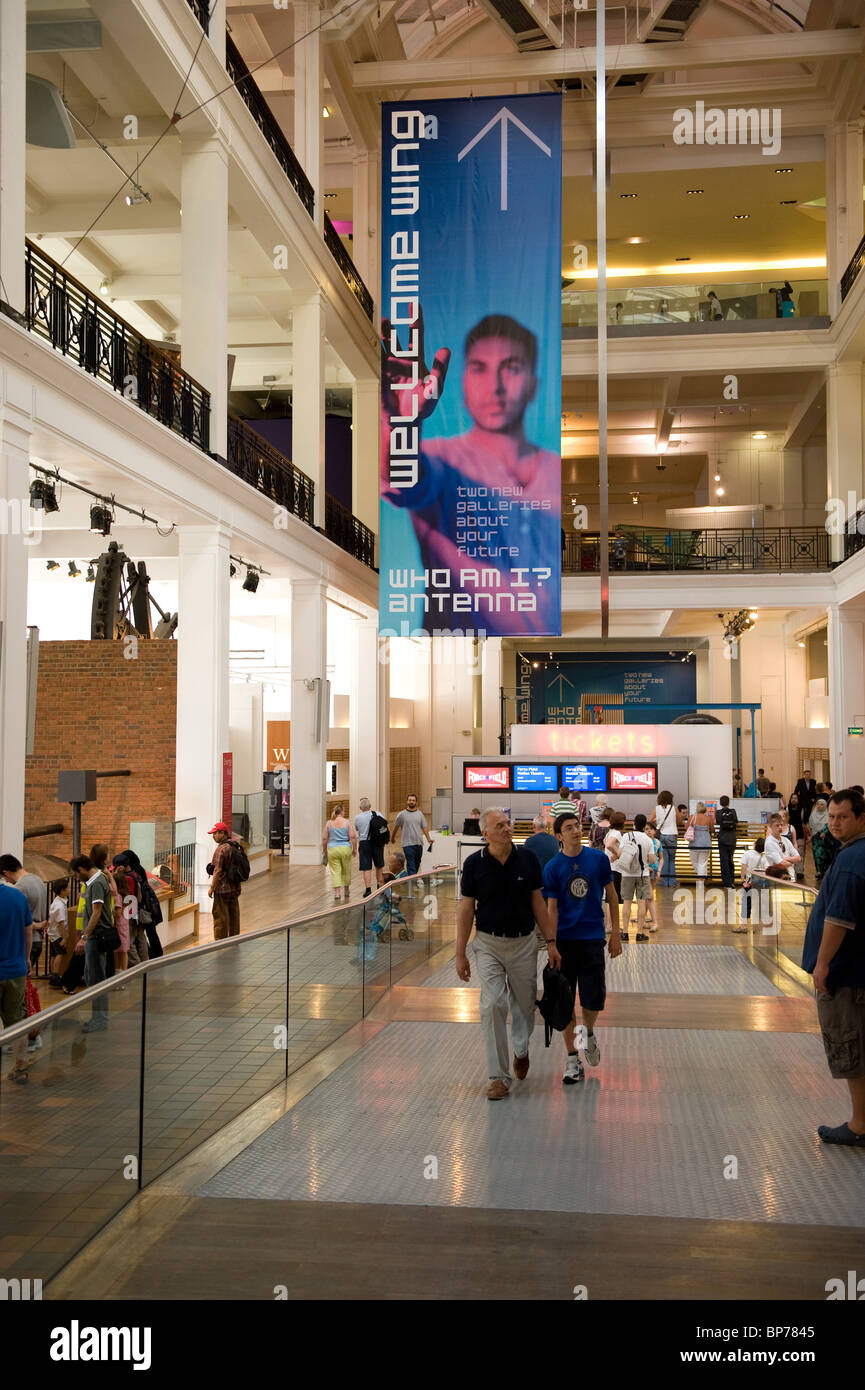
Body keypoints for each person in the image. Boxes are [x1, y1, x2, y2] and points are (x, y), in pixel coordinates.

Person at [381, 312, 560, 636]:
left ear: (534, 386)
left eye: (512, 368)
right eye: (479, 368)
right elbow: (404, 481)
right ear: (462, 383)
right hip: (448, 660)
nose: (496, 386)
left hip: (536, 652)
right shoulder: (441, 459)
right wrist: (401, 425)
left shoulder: (556, 470)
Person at [457, 807, 559, 1100]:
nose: (507, 828)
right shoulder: (474, 864)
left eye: (508, 823)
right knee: (491, 1006)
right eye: (499, 825)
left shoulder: (527, 859)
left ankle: (521, 1049)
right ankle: (497, 1076)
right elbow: (466, 908)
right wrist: (460, 951)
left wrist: (551, 942)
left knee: (524, 1008)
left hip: (524, 943)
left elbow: (538, 903)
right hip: (488, 944)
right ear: (485, 833)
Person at [801, 789, 865, 1145]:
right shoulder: (852, 853)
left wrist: (822, 964)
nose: (836, 823)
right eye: (833, 817)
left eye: (844, 817)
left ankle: (859, 1126)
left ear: (861, 818)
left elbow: (839, 919)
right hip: (855, 971)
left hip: (846, 975)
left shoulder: (852, 860)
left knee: (850, 1046)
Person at [542, 810, 622, 1085]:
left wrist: (616, 933)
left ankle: (587, 1032)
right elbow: (551, 908)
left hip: (591, 939)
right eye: (569, 828)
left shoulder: (598, 859)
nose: (576, 830)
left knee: (592, 999)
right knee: (564, 1001)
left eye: (578, 826)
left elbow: (611, 896)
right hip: (564, 941)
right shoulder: (553, 867)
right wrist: (551, 943)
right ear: (559, 836)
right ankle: (572, 1058)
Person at [75, 848, 115, 1032]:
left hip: (97, 937)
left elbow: (97, 912)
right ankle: (98, 1018)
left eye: (77, 874)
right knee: (91, 976)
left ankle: (100, 1019)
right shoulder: (96, 880)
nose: (76, 878)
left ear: (82, 868)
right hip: (95, 936)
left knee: (97, 978)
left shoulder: (97, 883)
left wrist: (84, 937)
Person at [0, 868, 33, 1084]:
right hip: (15, 969)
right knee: (17, 1021)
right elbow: (28, 931)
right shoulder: (17, 897)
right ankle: (19, 1067)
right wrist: (27, 958)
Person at [0, 856, 48, 974]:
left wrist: (36, 925)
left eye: (3, 878)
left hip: (26, 942)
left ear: (6, 872)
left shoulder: (19, 888)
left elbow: (21, 920)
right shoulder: (38, 880)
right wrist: (41, 925)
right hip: (38, 940)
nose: (6, 881)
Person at [616, 813, 656, 941]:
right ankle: (639, 933)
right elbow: (652, 860)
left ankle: (625, 933)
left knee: (627, 903)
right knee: (641, 903)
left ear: (634, 824)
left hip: (627, 874)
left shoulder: (627, 836)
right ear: (645, 826)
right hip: (642, 874)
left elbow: (620, 853)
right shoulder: (648, 840)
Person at [208, 821, 244, 934]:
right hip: (234, 887)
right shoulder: (234, 845)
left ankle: (220, 943)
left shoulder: (221, 849)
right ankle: (234, 939)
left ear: (223, 833)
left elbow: (217, 870)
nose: (213, 836)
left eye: (215, 833)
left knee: (220, 917)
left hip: (222, 889)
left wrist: (212, 888)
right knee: (234, 915)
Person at [321, 805, 357, 905]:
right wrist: (355, 849)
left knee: (335, 871)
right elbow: (353, 836)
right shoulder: (347, 822)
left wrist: (324, 850)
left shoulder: (329, 823)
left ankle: (337, 893)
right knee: (346, 869)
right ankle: (346, 891)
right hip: (345, 848)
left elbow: (324, 839)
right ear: (342, 812)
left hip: (333, 849)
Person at [392, 793, 432, 879]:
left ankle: (410, 880)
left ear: (416, 802)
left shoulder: (420, 814)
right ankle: (411, 885)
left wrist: (428, 839)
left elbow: (424, 827)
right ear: (407, 801)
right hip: (407, 844)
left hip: (418, 844)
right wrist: (392, 838)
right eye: (410, 800)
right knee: (411, 865)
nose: (411, 802)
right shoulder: (401, 814)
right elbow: (396, 827)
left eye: (413, 800)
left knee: (416, 864)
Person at [354, 797, 386, 898]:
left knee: (366, 867)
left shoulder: (358, 818)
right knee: (379, 865)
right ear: (370, 806)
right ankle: (379, 886)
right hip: (377, 843)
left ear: (360, 807)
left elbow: (357, 828)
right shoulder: (378, 814)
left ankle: (368, 889)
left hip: (364, 843)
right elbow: (385, 825)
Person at [734, 836, 767, 932]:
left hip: (748, 883)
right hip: (760, 883)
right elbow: (765, 871)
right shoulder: (764, 857)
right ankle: (757, 927)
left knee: (746, 904)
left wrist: (743, 880)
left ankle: (744, 926)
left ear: (755, 845)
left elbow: (743, 867)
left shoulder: (747, 854)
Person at [649, 790, 679, 887]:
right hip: (672, 835)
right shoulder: (674, 808)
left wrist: (657, 820)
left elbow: (649, 821)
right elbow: (679, 821)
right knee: (672, 859)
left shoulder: (656, 809)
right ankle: (672, 882)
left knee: (664, 859)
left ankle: (665, 882)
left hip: (661, 835)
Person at [763, 813, 800, 881]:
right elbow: (781, 864)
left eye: (781, 825)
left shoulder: (786, 840)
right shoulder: (769, 842)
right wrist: (792, 861)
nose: (780, 827)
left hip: (791, 877)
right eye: (777, 825)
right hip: (777, 879)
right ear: (770, 827)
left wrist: (785, 859)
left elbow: (798, 858)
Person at [685, 801, 715, 881]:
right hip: (705, 842)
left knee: (694, 861)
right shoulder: (708, 818)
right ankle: (702, 878)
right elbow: (712, 830)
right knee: (702, 863)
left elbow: (687, 828)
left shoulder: (692, 817)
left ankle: (701, 878)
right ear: (705, 809)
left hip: (694, 842)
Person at [603, 810, 626, 907]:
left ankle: (609, 922)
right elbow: (608, 845)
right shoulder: (617, 833)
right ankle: (611, 921)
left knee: (610, 897)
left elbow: (605, 841)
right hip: (615, 867)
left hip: (609, 866)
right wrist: (617, 853)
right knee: (614, 897)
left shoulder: (610, 832)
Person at [716, 795, 739, 889]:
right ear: (728, 803)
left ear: (720, 803)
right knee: (731, 860)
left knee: (724, 861)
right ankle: (732, 881)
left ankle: (726, 883)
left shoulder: (718, 812)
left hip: (722, 839)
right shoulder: (733, 811)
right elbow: (736, 822)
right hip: (732, 839)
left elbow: (718, 822)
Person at [47, 879, 69, 968]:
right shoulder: (59, 905)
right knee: (59, 954)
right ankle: (55, 975)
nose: (69, 889)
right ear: (62, 890)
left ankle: (53, 974)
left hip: (53, 934)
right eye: (68, 888)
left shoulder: (57, 901)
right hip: (58, 935)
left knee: (54, 955)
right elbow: (61, 923)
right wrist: (64, 937)